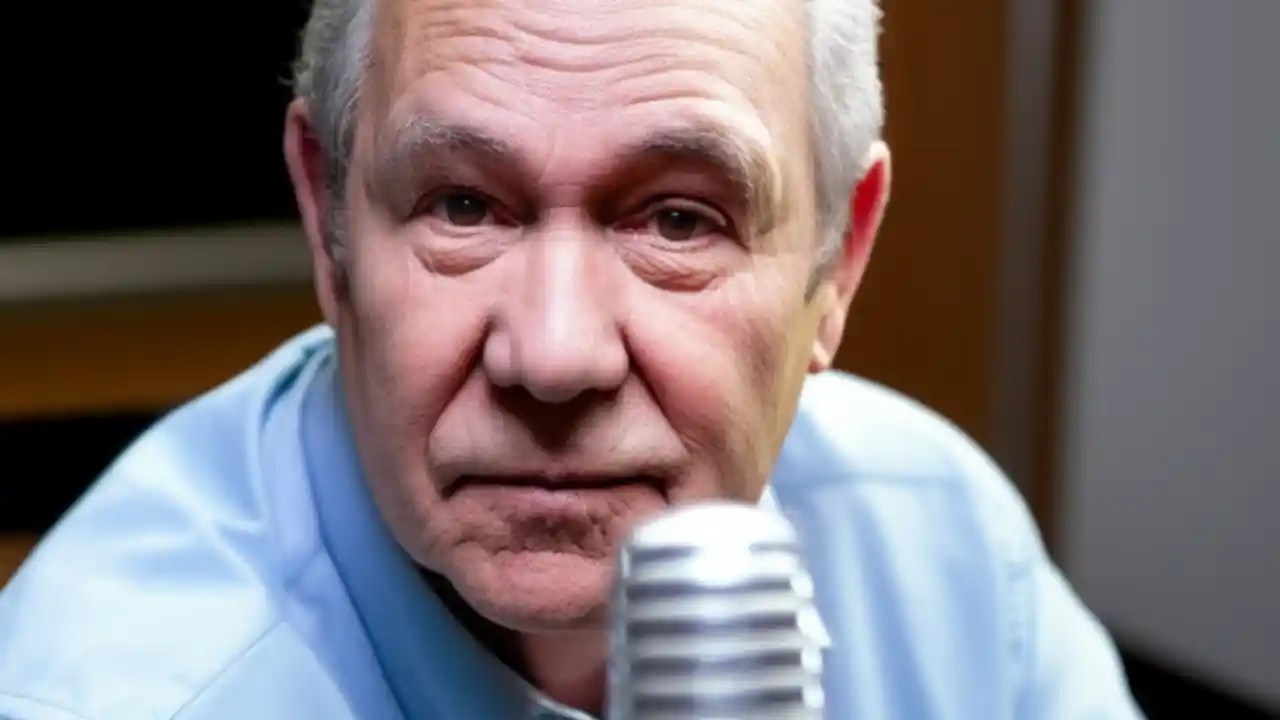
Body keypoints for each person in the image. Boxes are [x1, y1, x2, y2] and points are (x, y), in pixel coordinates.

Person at [0, 0, 1144, 717]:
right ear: (328, 221)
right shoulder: (106, 697)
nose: (552, 356)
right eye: (462, 206)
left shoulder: (937, 549)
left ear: (839, 256)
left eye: (679, 222)